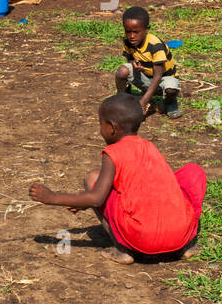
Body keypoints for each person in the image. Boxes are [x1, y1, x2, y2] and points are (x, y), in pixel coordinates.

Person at [29, 93, 206, 263]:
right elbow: (153, 187)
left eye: (100, 124)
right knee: (192, 172)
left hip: (142, 240)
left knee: (93, 178)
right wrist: (83, 202)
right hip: (180, 237)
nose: (100, 129)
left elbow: (97, 198)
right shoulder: (149, 147)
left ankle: (122, 251)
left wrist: (52, 197)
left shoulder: (112, 153)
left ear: (112, 127)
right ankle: (185, 248)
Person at [114, 5, 181, 118]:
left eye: (136, 32)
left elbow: (158, 76)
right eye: (128, 31)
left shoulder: (155, 45)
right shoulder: (127, 42)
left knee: (171, 88)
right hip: (146, 77)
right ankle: (123, 96)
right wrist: (133, 64)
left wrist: (143, 102)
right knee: (122, 71)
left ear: (147, 29)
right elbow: (129, 59)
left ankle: (170, 103)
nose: (131, 36)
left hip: (162, 80)